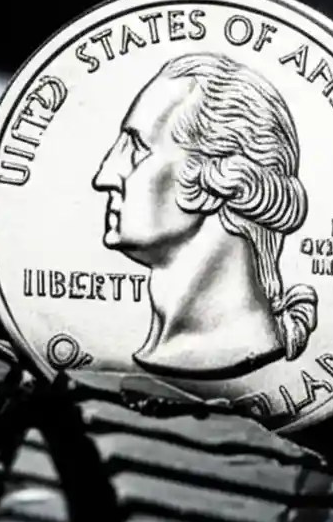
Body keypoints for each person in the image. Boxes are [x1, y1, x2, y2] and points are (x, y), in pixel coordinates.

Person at [91, 52, 318, 379]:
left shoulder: (236, 348)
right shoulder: (162, 350)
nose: (105, 177)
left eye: (137, 148)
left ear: (217, 178)